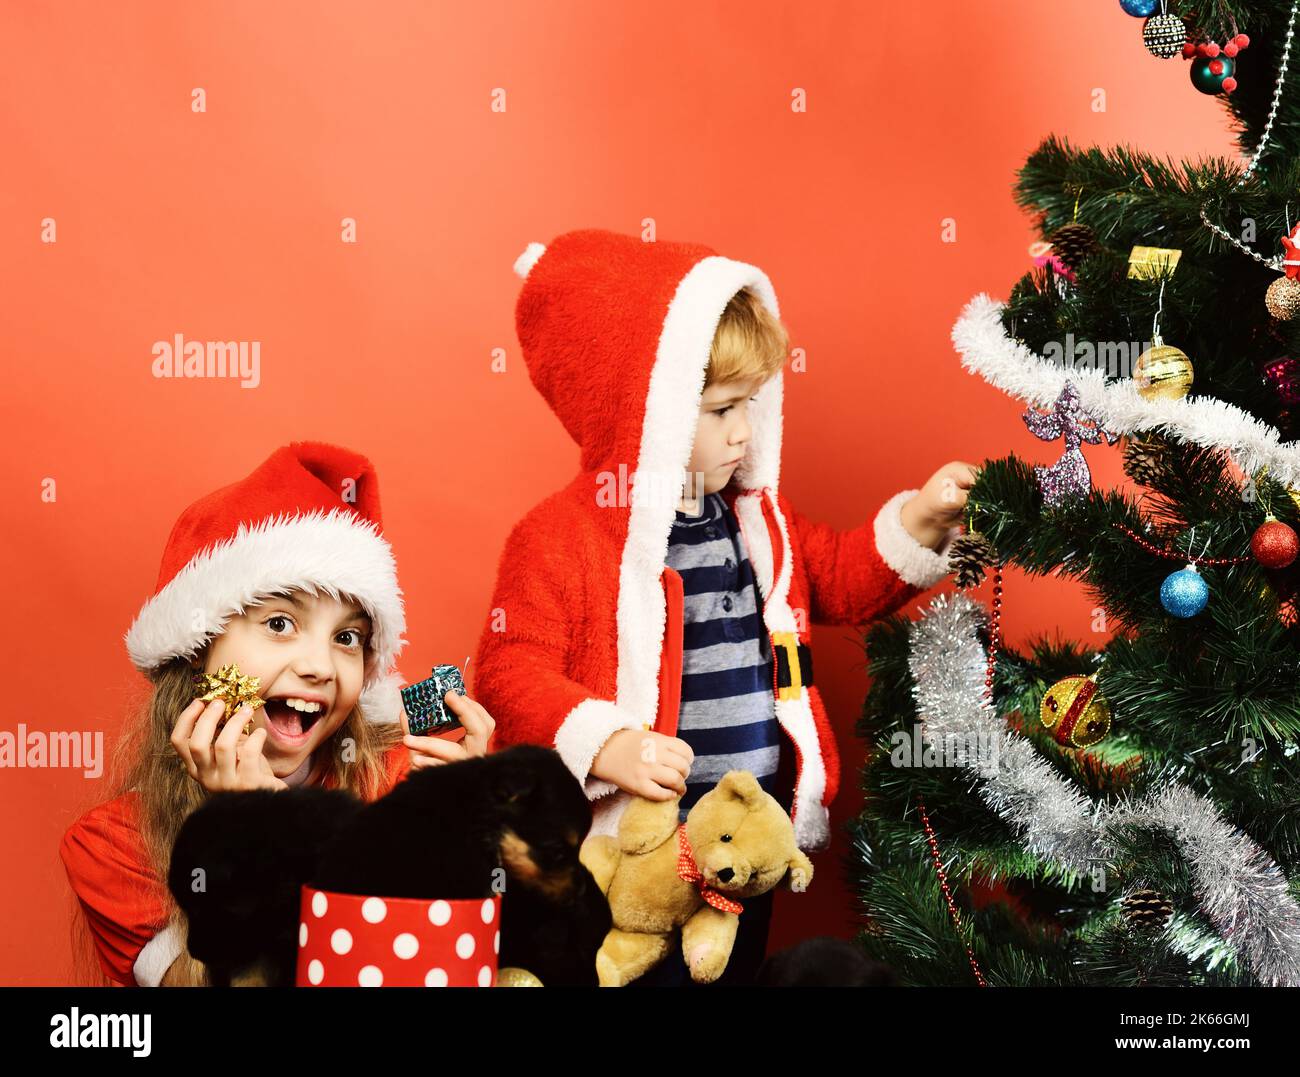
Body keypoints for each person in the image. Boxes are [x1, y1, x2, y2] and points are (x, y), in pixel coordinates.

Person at [474, 229, 976, 984]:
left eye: (751, 403)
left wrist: (920, 526)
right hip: (633, 859)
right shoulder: (563, 539)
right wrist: (608, 742)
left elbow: (838, 576)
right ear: (639, 411)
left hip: (747, 839)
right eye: (718, 409)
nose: (745, 430)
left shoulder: (756, 523)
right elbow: (510, 671)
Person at [60, 441, 495, 986]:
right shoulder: (114, 846)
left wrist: (472, 839)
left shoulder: (402, 785)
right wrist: (250, 831)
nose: (319, 666)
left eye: (347, 637)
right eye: (279, 623)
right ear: (199, 648)